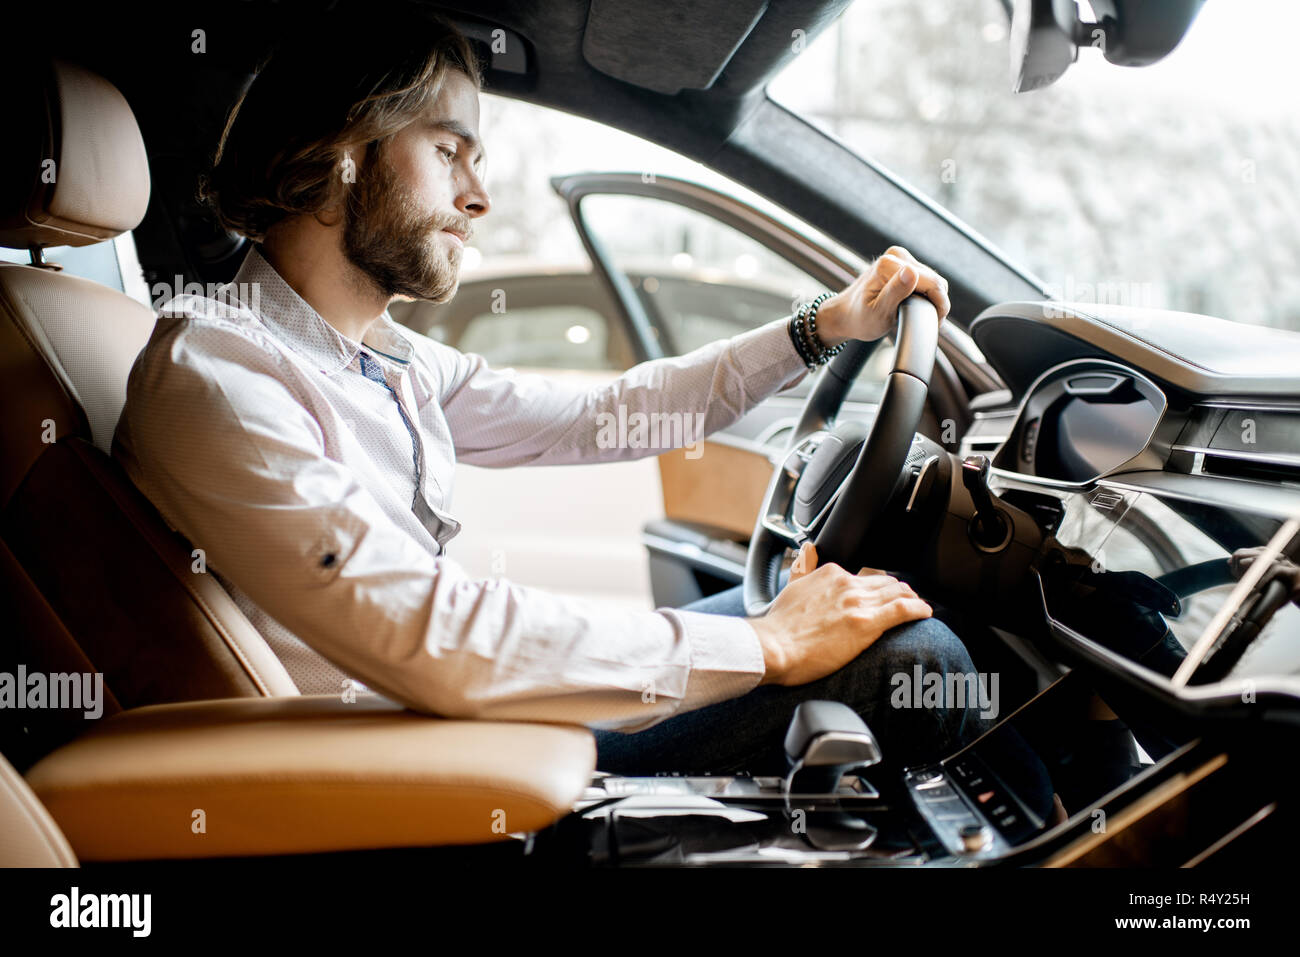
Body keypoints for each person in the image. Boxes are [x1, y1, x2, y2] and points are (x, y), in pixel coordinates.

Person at [112, 5, 988, 777]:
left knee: (875, 588)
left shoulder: (378, 356)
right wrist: (767, 642)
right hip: (408, 770)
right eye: (449, 150)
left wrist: (819, 327)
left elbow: (604, 417)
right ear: (338, 153)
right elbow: (434, 635)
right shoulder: (220, 378)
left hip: (451, 719)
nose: (478, 195)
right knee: (920, 657)